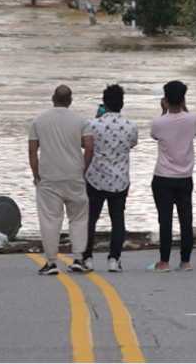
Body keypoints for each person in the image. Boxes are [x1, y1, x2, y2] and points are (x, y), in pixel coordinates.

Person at [28, 85, 94, 276]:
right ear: (70, 100)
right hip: (74, 175)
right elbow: (89, 147)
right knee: (79, 218)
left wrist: (36, 174)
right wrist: (84, 168)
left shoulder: (39, 121)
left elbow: (32, 151)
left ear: (52, 98)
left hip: (49, 177)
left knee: (50, 219)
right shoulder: (81, 121)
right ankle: (78, 259)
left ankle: (51, 262)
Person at [82, 84, 137, 273]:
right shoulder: (131, 126)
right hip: (120, 179)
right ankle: (114, 259)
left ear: (104, 103)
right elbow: (132, 144)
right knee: (118, 219)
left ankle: (87, 257)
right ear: (122, 104)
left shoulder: (93, 124)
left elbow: (86, 145)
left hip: (95, 177)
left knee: (90, 219)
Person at [150, 80, 196, 272]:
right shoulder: (193, 119)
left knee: (165, 220)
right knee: (186, 219)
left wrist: (164, 112)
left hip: (163, 177)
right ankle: (185, 261)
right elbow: (193, 130)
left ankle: (164, 262)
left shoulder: (158, 122)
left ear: (165, 100)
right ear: (183, 98)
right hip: (185, 177)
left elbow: (156, 135)